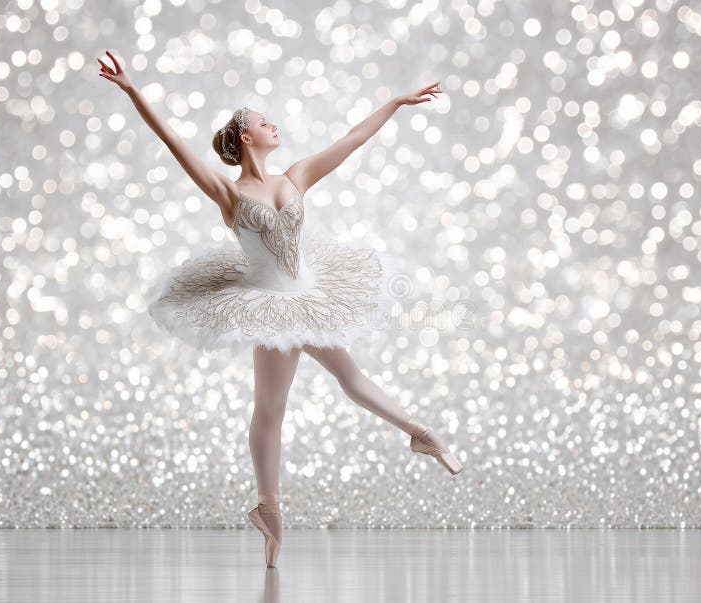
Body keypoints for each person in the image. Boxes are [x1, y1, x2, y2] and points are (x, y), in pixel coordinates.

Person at [97, 50, 462, 568]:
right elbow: (173, 142)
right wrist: (133, 92)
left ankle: (420, 435)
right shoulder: (227, 191)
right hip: (268, 307)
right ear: (245, 137)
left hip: (309, 297)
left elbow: (352, 141)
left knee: (349, 378)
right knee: (272, 408)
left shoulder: (295, 176)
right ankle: (271, 508)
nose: (274, 124)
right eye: (262, 121)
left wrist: (396, 102)